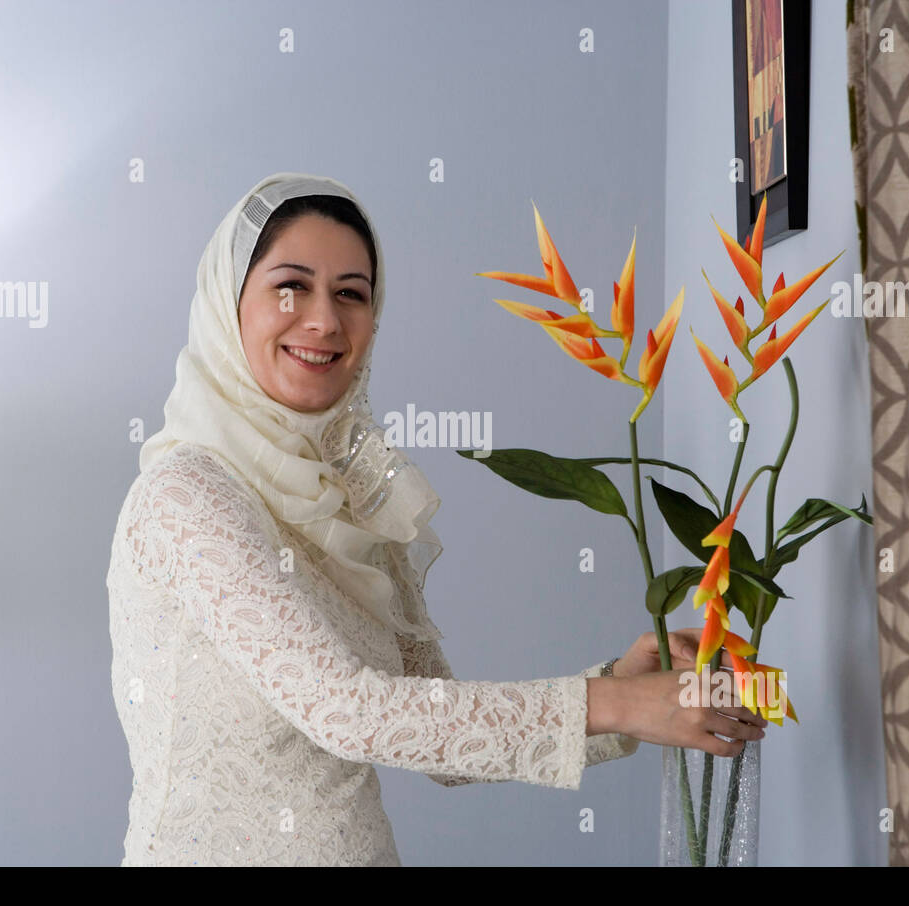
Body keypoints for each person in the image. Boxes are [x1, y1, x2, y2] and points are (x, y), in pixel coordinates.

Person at [105, 172, 767, 866]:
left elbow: (431, 722)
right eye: (290, 286)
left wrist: (623, 679)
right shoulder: (186, 495)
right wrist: (617, 705)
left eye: (351, 294)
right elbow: (349, 712)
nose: (325, 320)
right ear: (227, 304)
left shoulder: (353, 496)